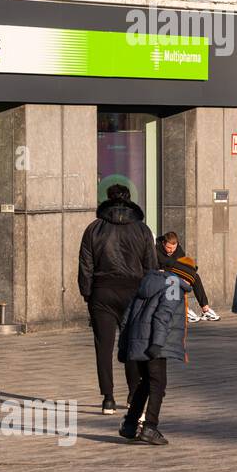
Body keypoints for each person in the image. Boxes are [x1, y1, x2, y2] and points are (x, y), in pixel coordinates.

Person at [78, 183, 158, 415]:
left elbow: (86, 265)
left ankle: (108, 398)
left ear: (107, 198)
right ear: (129, 199)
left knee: (103, 347)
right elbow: (150, 266)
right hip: (133, 292)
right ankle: (133, 394)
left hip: (102, 292)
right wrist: (150, 295)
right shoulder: (142, 230)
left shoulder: (94, 229)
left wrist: (87, 293)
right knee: (133, 343)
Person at [116, 262, 194, 445]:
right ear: (186, 279)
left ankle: (129, 425)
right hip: (153, 342)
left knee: (145, 383)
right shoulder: (174, 285)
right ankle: (150, 427)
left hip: (138, 339)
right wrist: (157, 343)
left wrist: (123, 345)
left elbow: (127, 316)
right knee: (158, 384)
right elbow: (162, 315)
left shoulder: (149, 282)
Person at [157, 231, 217, 322]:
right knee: (176, 280)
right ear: (163, 243)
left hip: (175, 272)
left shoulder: (178, 249)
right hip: (162, 276)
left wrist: (187, 277)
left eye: (174, 247)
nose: (171, 250)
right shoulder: (156, 250)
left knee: (195, 277)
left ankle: (205, 309)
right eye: (169, 248)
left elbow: (184, 264)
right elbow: (156, 267)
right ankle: (184, 310)